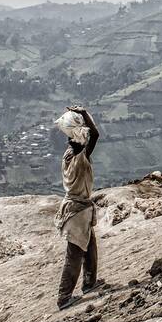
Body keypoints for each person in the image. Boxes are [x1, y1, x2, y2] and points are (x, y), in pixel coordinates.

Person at [55, 106, 102, 309]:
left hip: (75, 208)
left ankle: (89, 283)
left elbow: (85, 138)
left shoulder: (67, 156)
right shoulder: (80, 159)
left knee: (89, 246)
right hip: (77, 212)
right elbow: (96, 135)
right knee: (74, 254)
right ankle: (64, 297)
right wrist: (83, 115)